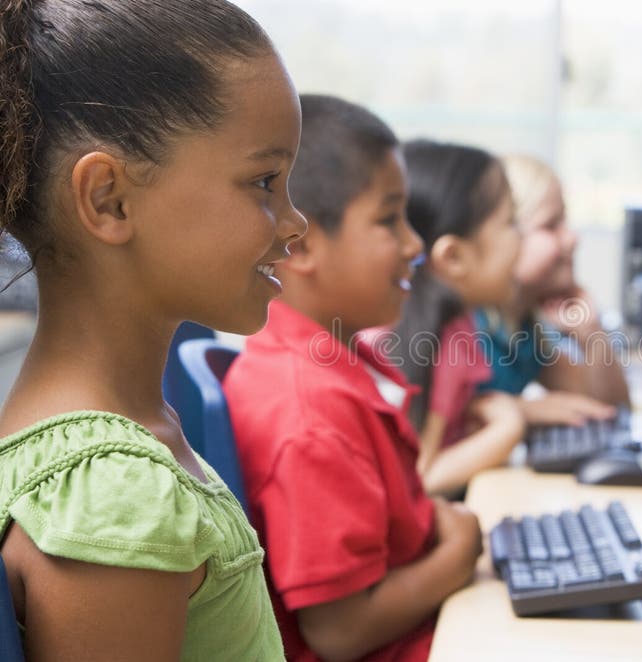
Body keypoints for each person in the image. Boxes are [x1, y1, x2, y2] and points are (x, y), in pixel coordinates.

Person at [0, 1, 306, 658]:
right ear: (109, 199)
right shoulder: (113, 496)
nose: (294, 221)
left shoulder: (123, 445)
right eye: (264, 181)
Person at [223, 96, 483, 662]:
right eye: (390, 220)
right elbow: (339, 631)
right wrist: (457, 554)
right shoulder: (310, 414)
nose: (415, 245)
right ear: (305, 243)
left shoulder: (333, 361)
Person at [390, 140, 526, 497]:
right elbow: (420, 479)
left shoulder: (452, 325)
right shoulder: (442, 338)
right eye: (511, 221)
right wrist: (510, 426)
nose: (521, 237)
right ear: (453, 257)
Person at [474, 154, 629, 427]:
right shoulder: (469, 322)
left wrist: (590, 332)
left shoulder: (524, 326)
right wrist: (523, 410)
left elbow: (607, 408)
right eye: (550, 225)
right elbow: (445, 421)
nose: (572, 238)